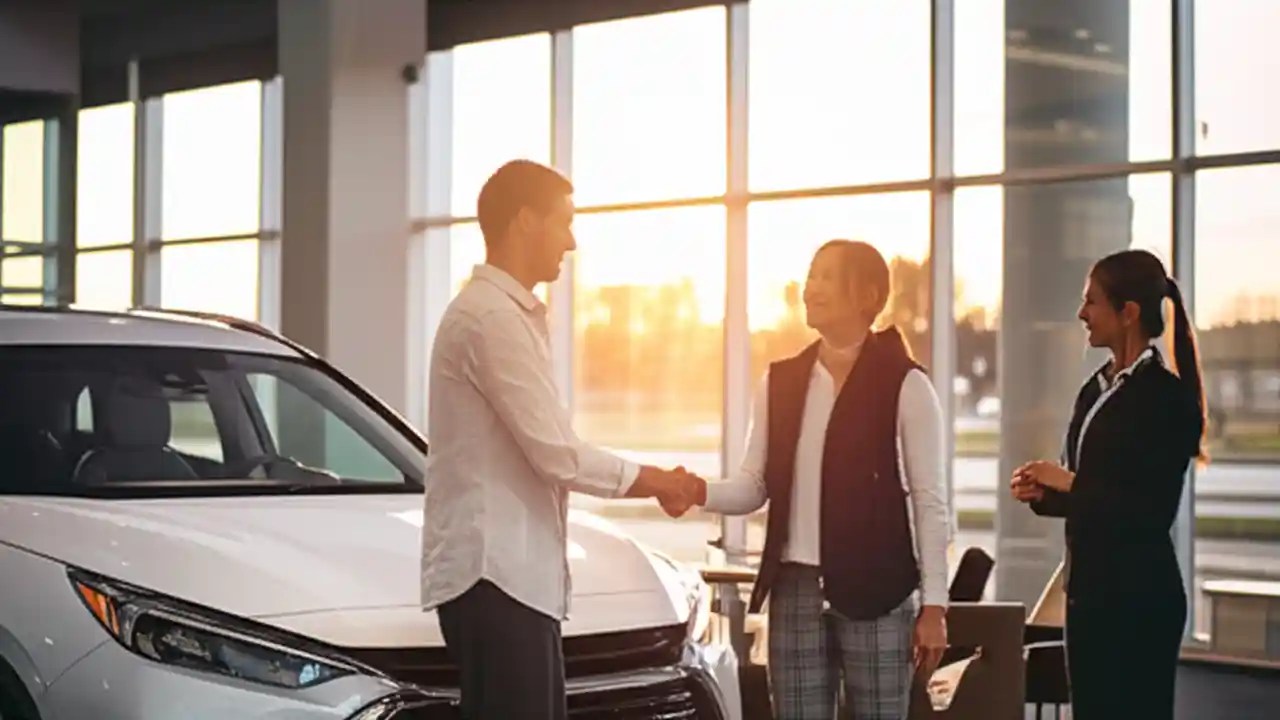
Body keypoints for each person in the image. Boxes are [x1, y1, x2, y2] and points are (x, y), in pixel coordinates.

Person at [420, 159, 697, 719]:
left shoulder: (504, 315)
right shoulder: (491, 319)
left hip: (511, 580)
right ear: (525, 221)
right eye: (563, 222)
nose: (570, 242)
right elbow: (558, 455)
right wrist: (657, 482)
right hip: (496, 578)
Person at [670, 240, 951, 719]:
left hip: (879, 590)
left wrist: (935, 607)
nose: (810, 287)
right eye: (810, 275)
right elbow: (753, 485)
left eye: (825, 276)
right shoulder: (780, 381)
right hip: (794, 587)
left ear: (867, 296)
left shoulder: (906, 383)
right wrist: (697, 491)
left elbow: (929, 501)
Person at [1011, 249, 1206, 719]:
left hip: (1138, 599)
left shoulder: (1165, 398)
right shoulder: (1096, 389)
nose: (1081, 314)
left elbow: (1149, 512)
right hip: (1091, 598)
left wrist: (1070, 485)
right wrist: (1046, 495)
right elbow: (1091, 494)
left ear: (1128, 313)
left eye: (1091, 302)